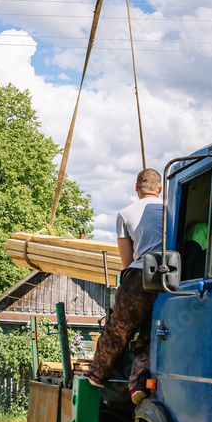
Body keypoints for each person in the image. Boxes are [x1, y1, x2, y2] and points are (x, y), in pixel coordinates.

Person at [87, 168, 163, 404]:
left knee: (119, 327)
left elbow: (127, 261)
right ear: (160, 189)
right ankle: (138, 384)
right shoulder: (172, 209)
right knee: (152, 335)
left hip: (141, 275)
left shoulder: (125, 213)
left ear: (136, 188)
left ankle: (98, 374)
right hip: (172, 276)